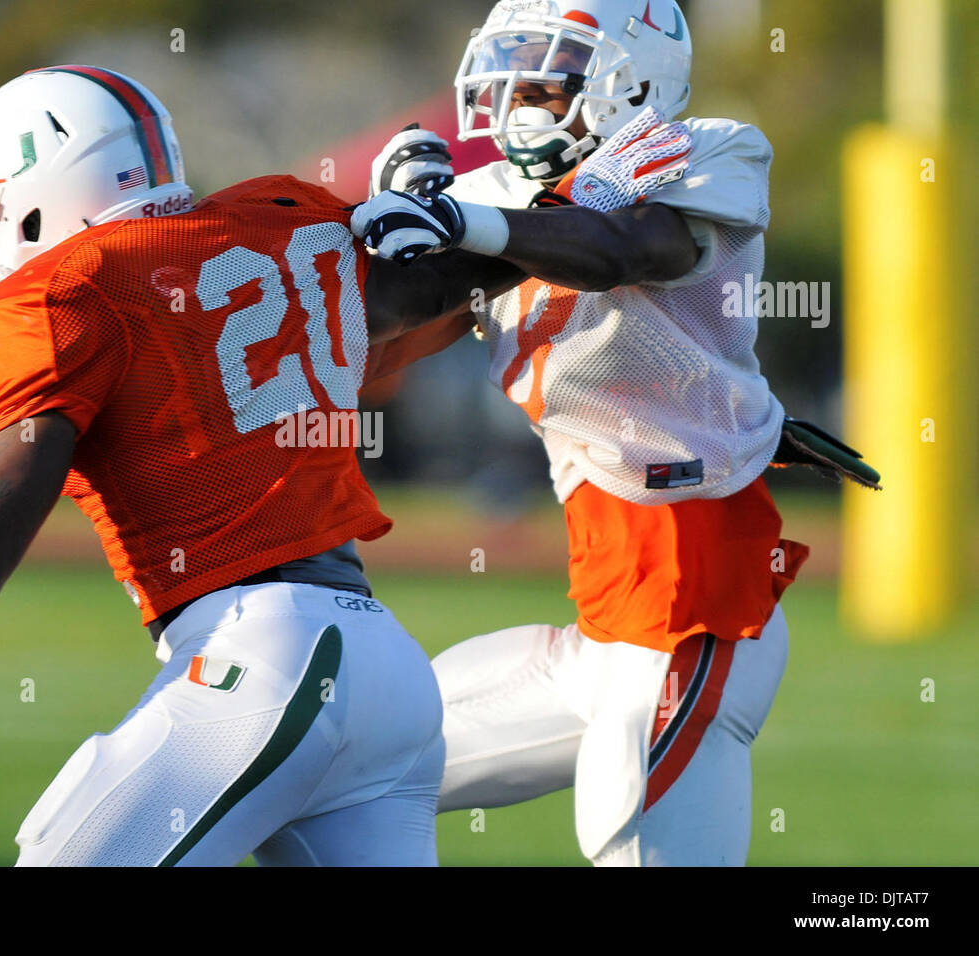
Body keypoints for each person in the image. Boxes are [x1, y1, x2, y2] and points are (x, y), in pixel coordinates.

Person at [0, 65, 524, 866]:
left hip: (264, 659)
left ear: (27, 206)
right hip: (385, 672)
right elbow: (435, 292)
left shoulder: (59, 297)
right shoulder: (274, 221)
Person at [351, 0, 877, 865]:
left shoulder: (700, 149)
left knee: (631, 843)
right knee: (341, 770)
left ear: (631, 79)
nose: (518, 97)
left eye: (547, 77)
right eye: (510, 72)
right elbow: (379, 323)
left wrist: (457, 223)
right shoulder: (492, 199)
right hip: (607, 626)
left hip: (693, 608)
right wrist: (389, 230)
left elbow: (630, 247)